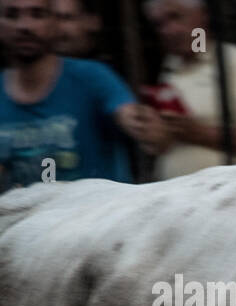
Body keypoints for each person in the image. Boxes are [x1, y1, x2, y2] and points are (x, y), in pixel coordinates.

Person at [0, 0, 152, 190]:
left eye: (37, 14)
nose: (24, 26)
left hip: (97, 215)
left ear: (55, 23)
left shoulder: (92, 77)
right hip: (26, 217)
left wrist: (141, 123)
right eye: (12, 15)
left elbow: (128, 114)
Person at [140, 0, 236, 180]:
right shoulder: (170, 69)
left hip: (226, 196)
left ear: (202, 15)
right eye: (159, 24)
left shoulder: (234, 62)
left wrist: (200, 133)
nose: (168, 30)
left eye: (175, 16)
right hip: (179, 198)